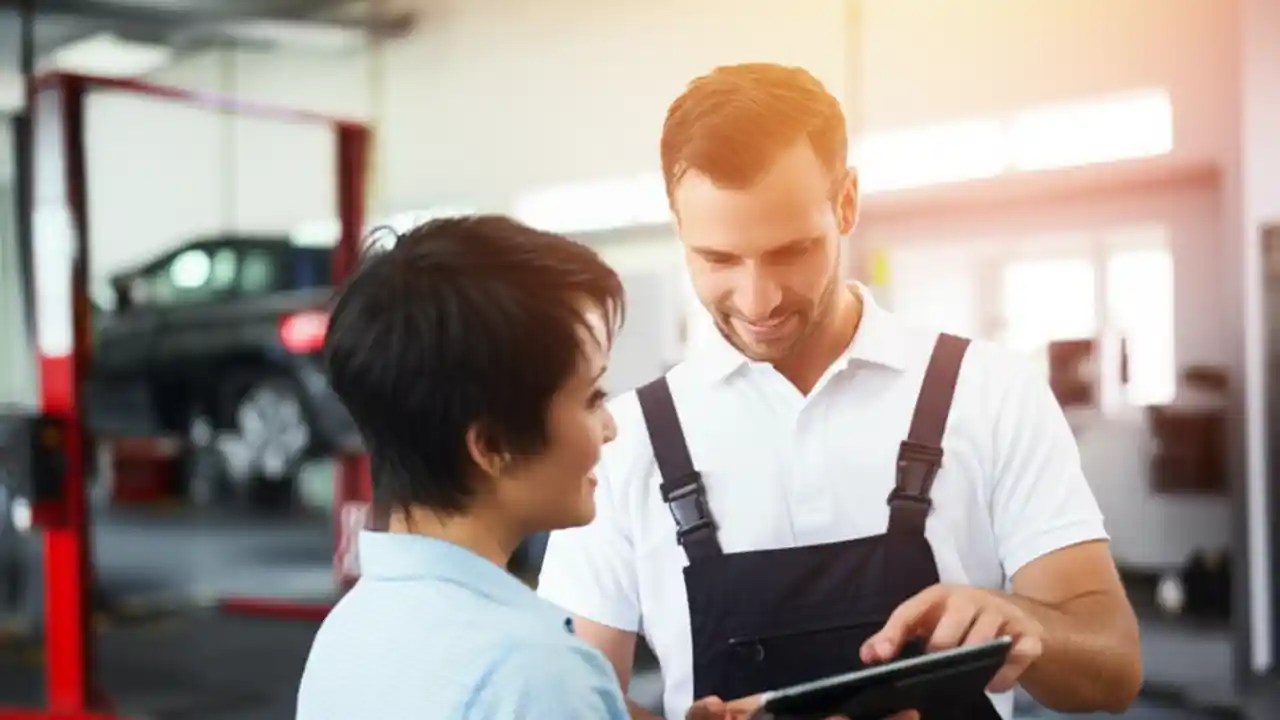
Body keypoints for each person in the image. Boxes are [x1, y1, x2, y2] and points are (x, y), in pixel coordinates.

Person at [536, 63, 1144, 720]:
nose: (757, 299)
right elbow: (573, 702)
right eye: (718, 260)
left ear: (847, 203)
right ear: (679, 227)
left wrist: (1024, 622)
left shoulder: (989, 392)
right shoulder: (625, 442)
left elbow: (1111, 672)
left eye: (790, 251)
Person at [296, 215, 629, 719]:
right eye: (592, 397)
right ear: (492, 445)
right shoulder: (536, 673)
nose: (609, 428)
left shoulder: (348, 633)